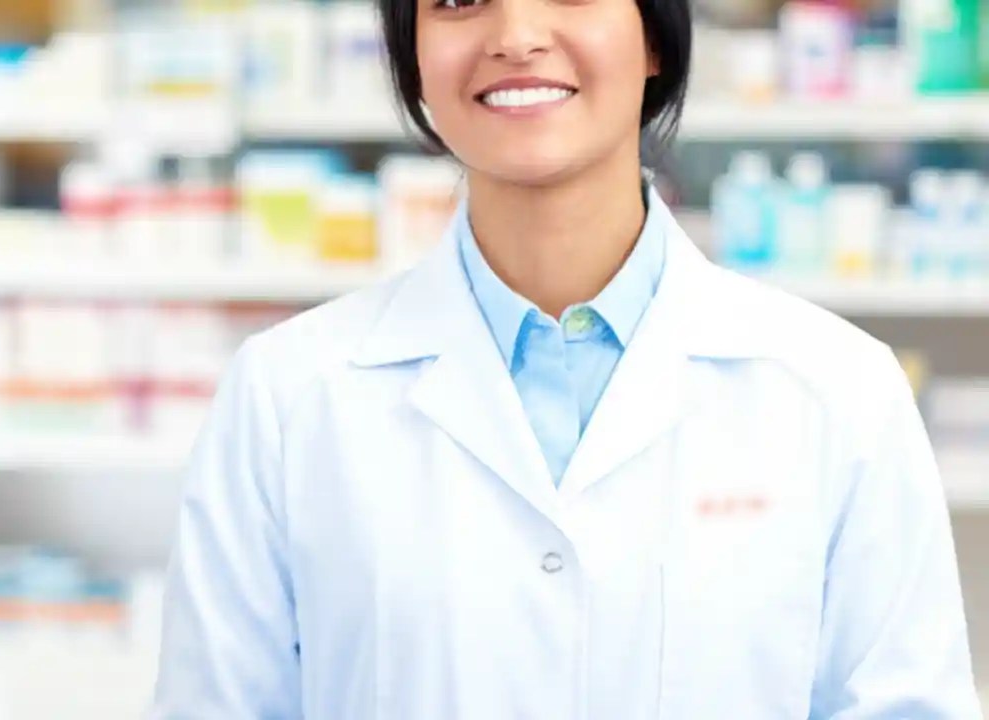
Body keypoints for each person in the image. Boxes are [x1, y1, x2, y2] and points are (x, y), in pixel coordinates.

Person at [152, 0, 982, 717]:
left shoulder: (838, 391)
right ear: (411, 56)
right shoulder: (287, 397)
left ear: (655, 37)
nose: (516, 34)